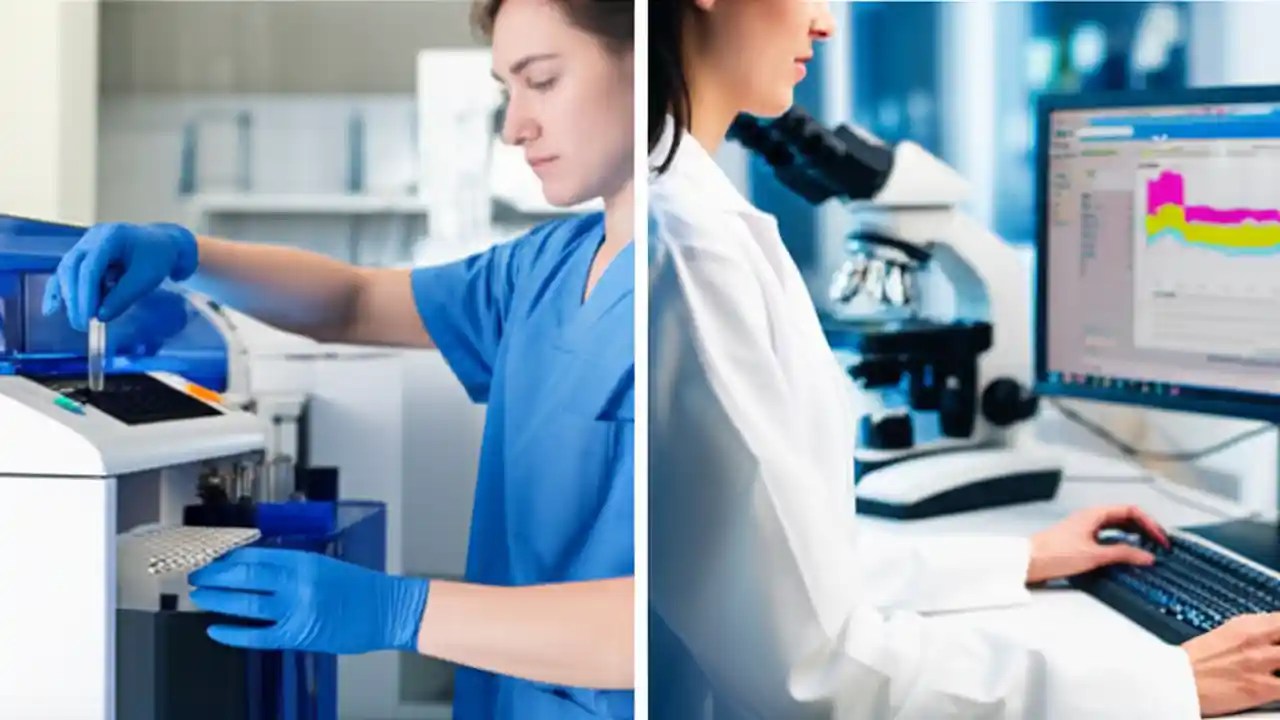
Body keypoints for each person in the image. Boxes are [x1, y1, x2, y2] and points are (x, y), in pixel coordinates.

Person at [646, 1, 1280, 718]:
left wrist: (1017, 559)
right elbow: (818, 678)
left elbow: (774, 573)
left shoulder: (693, 221)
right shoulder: (690, 247)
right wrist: (1163, 686)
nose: (826, 24)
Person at [45, 1, 635, 718]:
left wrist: (402, 611)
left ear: (653, 62)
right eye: (506, 91)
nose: (513, 128)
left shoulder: (697, 292)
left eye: (541, 81)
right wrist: (186, 254)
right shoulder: (546, 267)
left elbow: (672, 619)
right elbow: (355, 300)